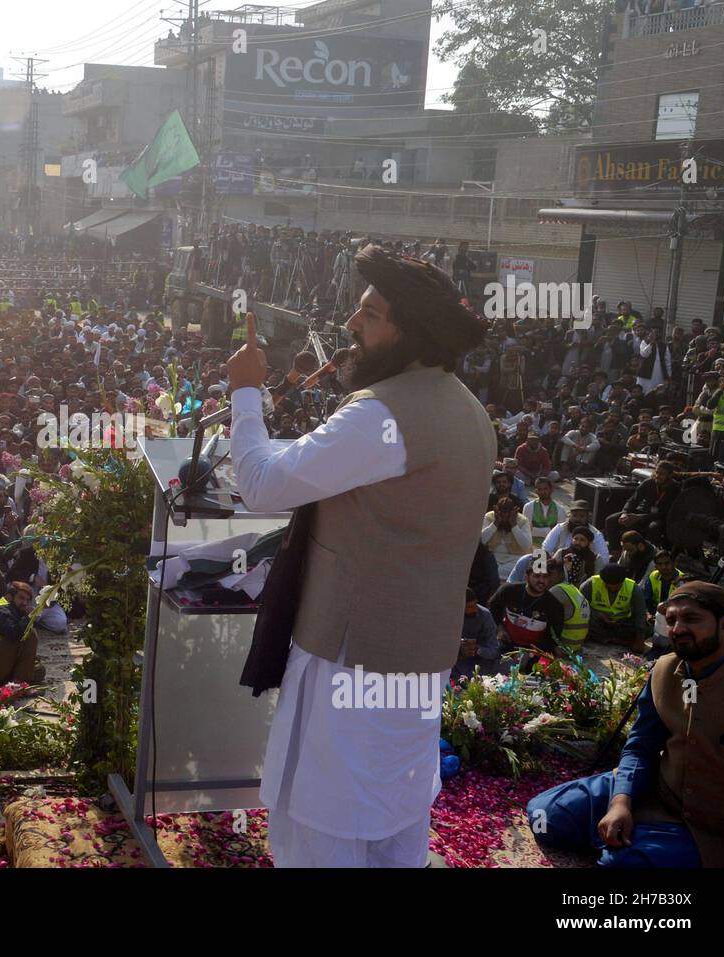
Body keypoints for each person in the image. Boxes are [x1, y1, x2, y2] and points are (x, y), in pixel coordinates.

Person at [228, 243, 495, 867]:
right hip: (416, 658)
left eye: (370, 314)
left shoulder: (381, 415)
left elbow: (262, 485)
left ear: (410, 333)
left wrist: (246, 394)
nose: (351, 324)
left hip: (351, 662)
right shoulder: (467, 408)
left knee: (325, 824)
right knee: (393, 823)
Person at [527, 581, 724, 867]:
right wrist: (621, 801)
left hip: (713, 824)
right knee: (546, 815)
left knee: (623, 864)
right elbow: (641, 746)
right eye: (673, 619)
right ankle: (636, 838)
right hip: (659, 791)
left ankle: (643, 847)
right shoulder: (665, 669)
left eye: (691, 619)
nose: (677, 629)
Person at [581, 562, 648, 650]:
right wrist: (598, 615)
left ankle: (607, 639)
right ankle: (614, 639)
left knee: (646, 627)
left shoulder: (634, 588)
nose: (613, 589)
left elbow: (640, 613)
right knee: (585, 623)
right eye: (609, 587)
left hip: (621, 623)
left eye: (617, 587)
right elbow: (580, 607)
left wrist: (639, 640)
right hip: (597, 622)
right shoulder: (590, 584)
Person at [454, 587, 499, 682]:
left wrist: (477, 649)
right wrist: (460, 648)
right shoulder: (451, 616)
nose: (475, 609)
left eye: (475, 604)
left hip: (480, 661)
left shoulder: (485, 615)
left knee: (507, 663)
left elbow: (494, 649)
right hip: (456, 661)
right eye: (469, 607)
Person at [482, 495, 532, 578]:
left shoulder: (522, 521)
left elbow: (526, 546)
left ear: (513, 512)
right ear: (496, 511)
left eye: (507, 516)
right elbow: (481, 541)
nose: (504, 519)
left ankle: (495, 575)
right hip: (493, 557)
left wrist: (514, 525)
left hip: (514, 558)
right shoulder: (489, 517)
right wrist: (495, 523)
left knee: (523, 565)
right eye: (502, 515)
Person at [521, 476, 566, 547]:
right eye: (539, 489)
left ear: (551, 490)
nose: (542, 492)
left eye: (545, 489)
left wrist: (535, 530)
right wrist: (550, 529)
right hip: (532, 546)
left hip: (551, 547)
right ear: (536, 491)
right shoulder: (528, 507)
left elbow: (560, 533)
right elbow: (527, 531)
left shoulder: (560, 509)